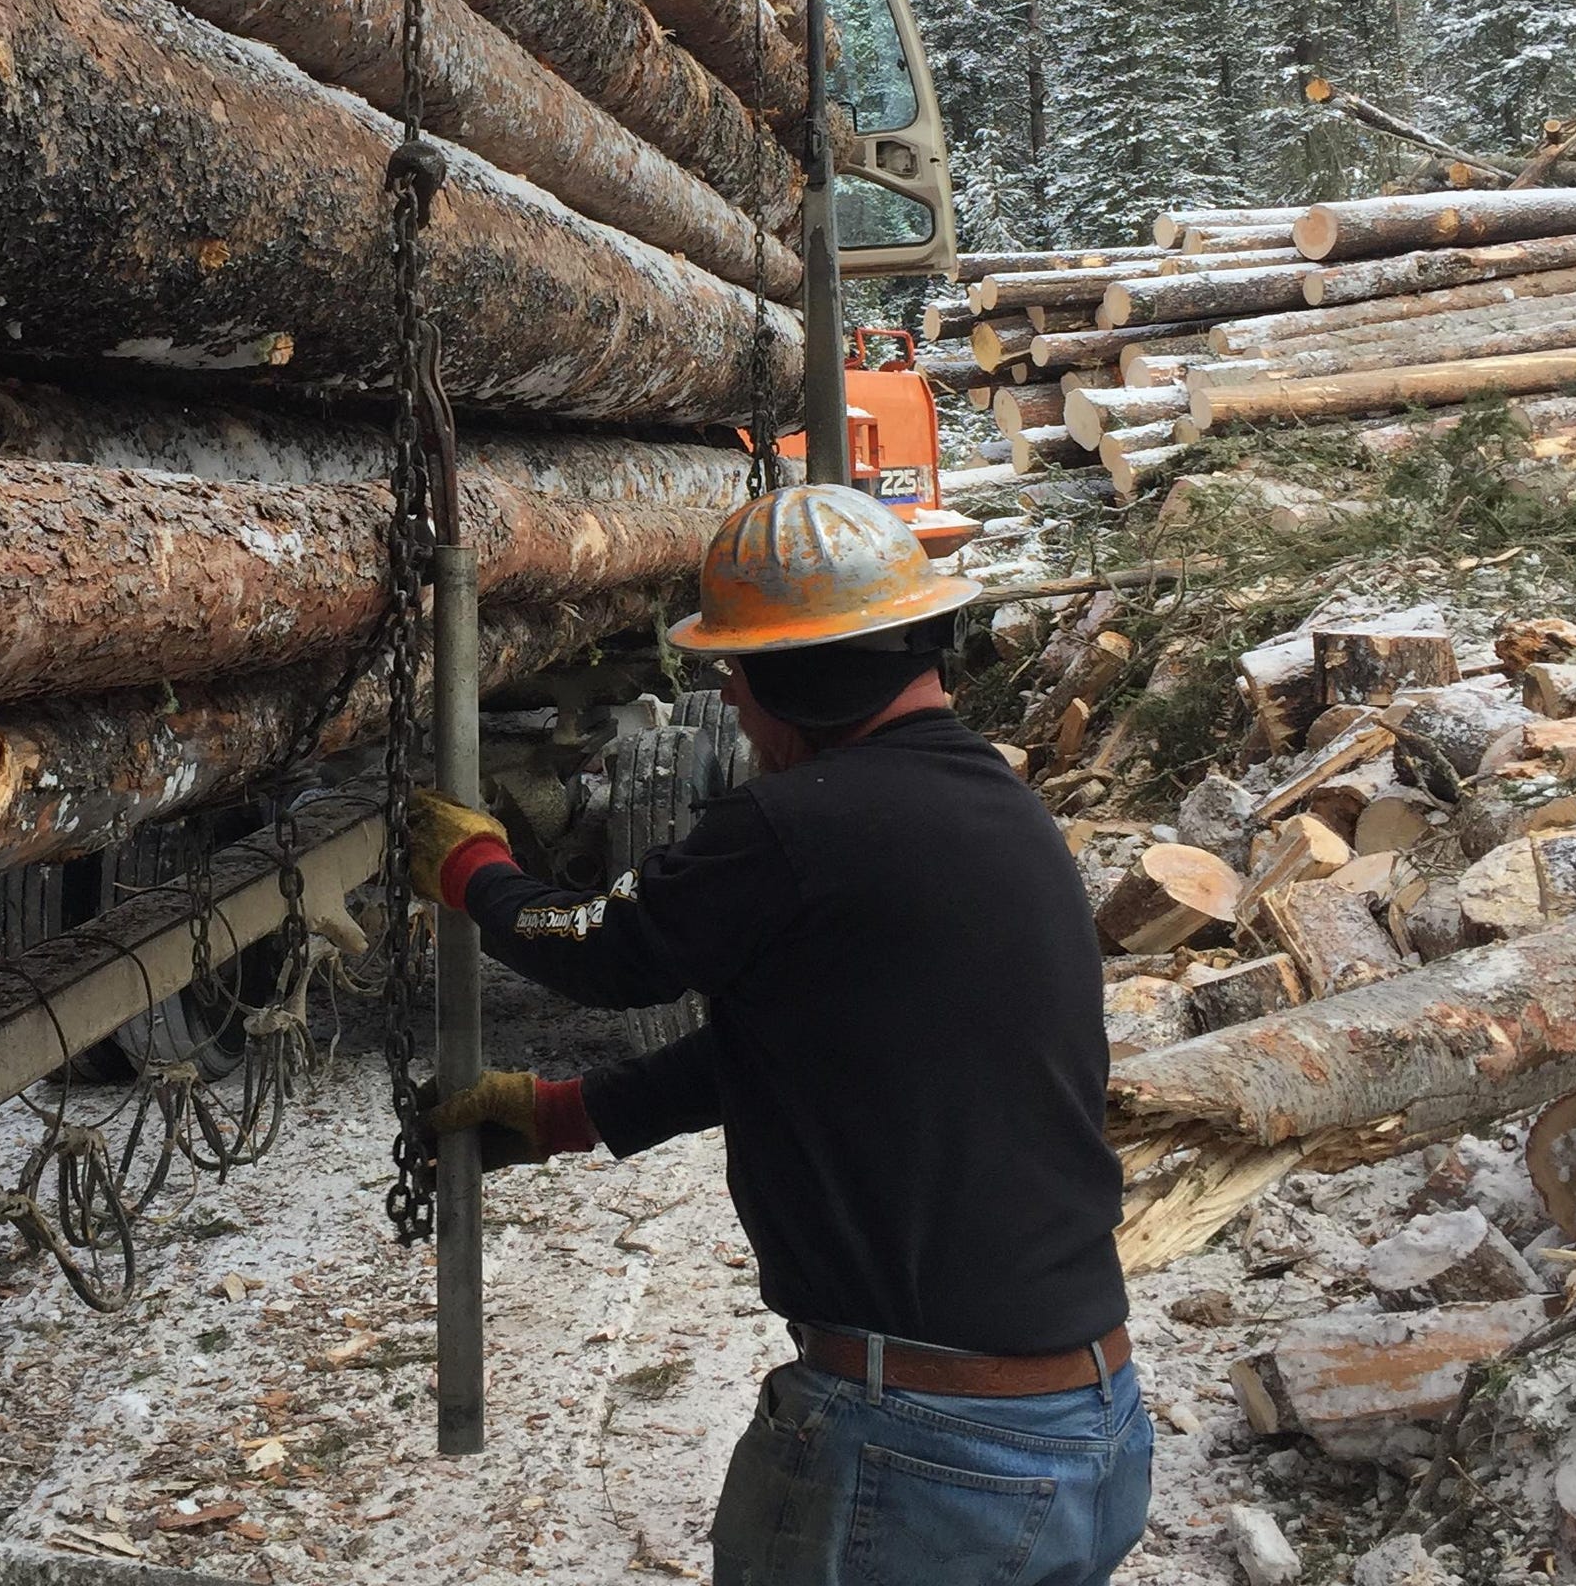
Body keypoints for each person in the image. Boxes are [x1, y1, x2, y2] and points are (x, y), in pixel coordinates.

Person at [406, 484, 1147, 1586]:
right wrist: (570, 1114)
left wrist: (477, 877)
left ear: (788, 679)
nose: (739, 720)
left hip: (927, 1454)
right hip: (1085, 1429)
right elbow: (814, 1041)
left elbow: (609, 949)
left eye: (737, 681)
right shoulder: (995, 814)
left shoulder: (799, 825)